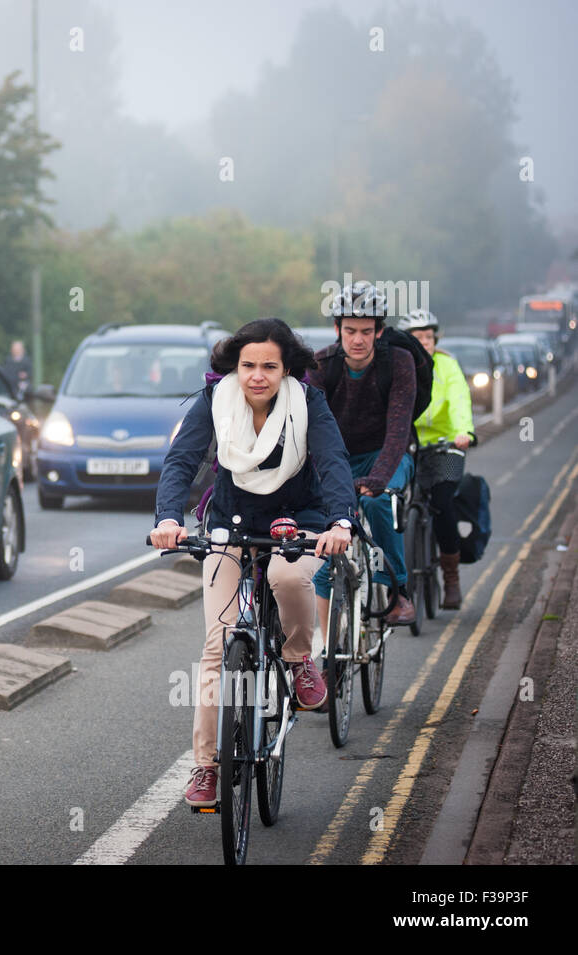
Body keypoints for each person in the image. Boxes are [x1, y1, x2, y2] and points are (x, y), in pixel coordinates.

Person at [151, 318, 354, 807]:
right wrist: (168, 518)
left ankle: (299, 656)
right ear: (234, 366)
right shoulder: (214, 400)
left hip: (297, 520)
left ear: (287, 370)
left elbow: (332, 462)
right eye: (248, 365)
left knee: (287, 576)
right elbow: (182, 460)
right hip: (231, 523)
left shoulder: (309, 404)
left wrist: (340, 523)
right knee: (219, 645)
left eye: (269, 366)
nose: (256, 375)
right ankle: (206, 768)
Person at [307, 281, 418, 628]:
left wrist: (378, 480)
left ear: (379, 332)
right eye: (350, 330)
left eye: (367, 331)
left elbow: (398, 430)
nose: (358, 339)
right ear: (337, 329)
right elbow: (311, 431)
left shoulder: (399, 362)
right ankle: (328, 654)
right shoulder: (322, 365)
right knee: (329, 535)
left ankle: (398, 589)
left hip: (387, 455)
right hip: (337, 461)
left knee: (378, 502)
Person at [397, 309, 473, 608]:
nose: (426, 342)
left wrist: (463, 431)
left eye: (429, 336)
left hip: (445, 445)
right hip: (406, 445)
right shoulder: (401, 365)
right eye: (418, 337)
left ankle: (451, 579)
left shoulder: (447, 365)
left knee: (442, 504)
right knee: (395, 505)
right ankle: (397, 581)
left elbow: (459, 401)